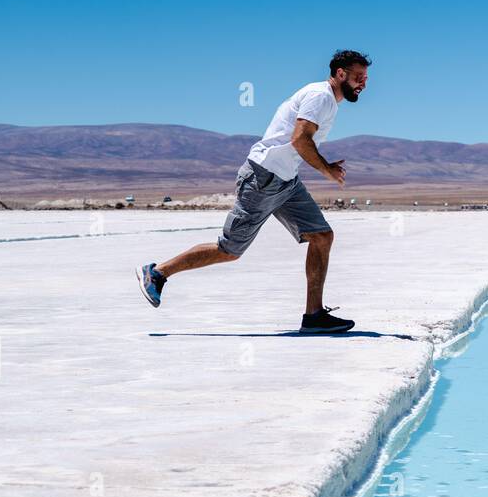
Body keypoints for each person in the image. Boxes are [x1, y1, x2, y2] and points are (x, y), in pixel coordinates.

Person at [136, 50, 370, 333]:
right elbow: (300, 139)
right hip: (263, 177)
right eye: (359, 77)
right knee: (230, 250)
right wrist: (326, 169)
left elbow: (298, 142)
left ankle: (314, 315)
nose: (363, 84)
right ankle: (158, 272)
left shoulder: (328, 101)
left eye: (365, 78)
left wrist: (324, 165)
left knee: (322, 236)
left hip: (285, 180)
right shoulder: (320, 96)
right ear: (340, 73)